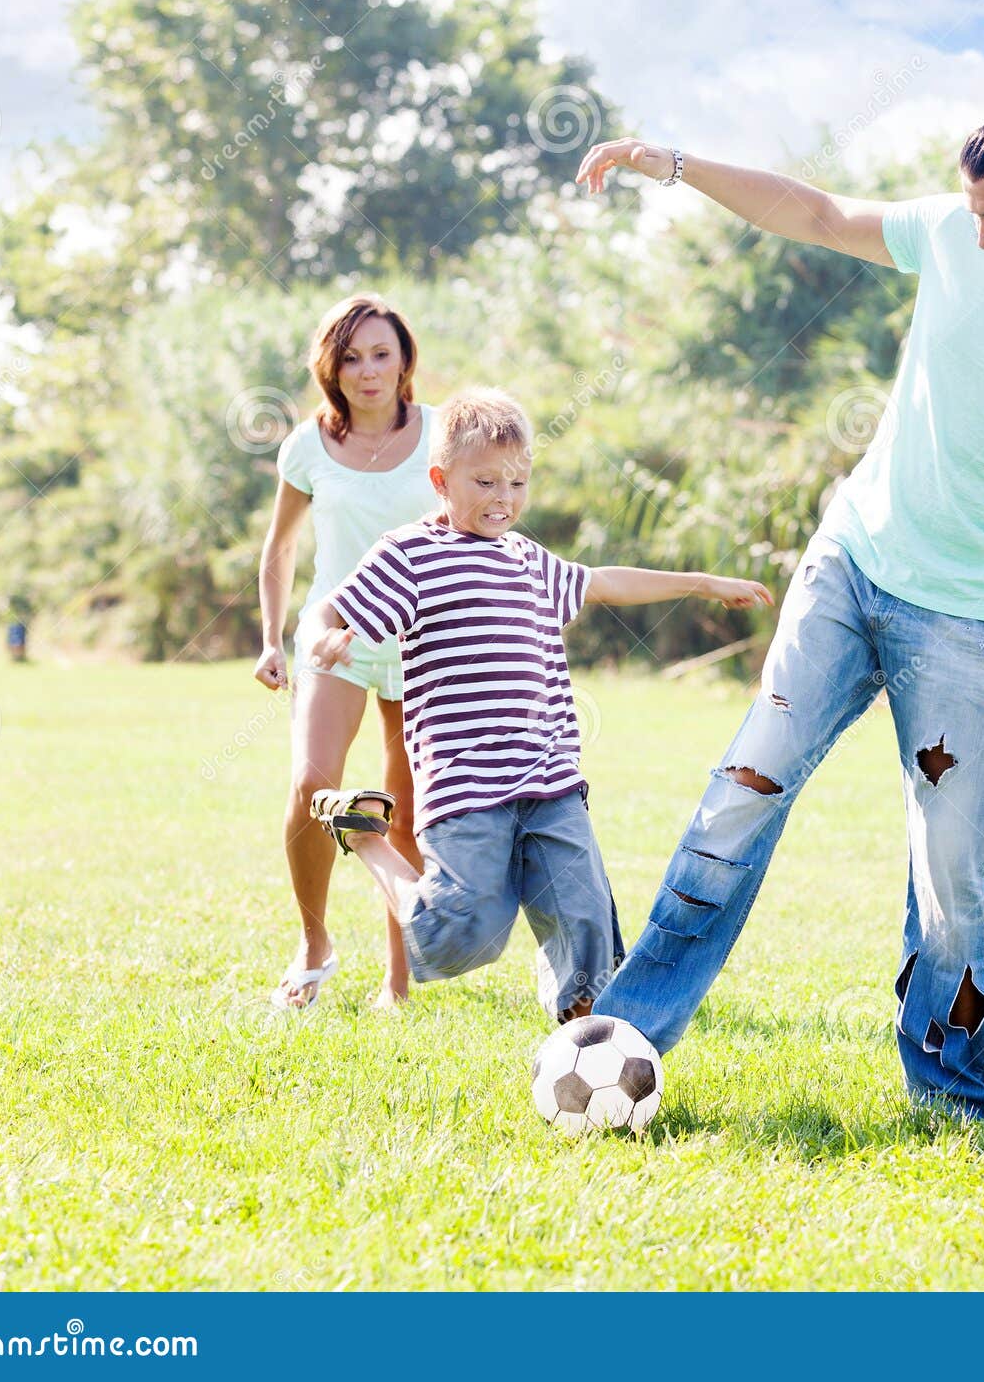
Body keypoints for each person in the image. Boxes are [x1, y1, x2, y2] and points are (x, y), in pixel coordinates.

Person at [572, 104, 984, 1120]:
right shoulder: (952, 236)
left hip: (969, 619)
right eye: (972, 213)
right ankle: (624, 1041)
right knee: (743, 792)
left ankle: (949, 1098)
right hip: (849, 566)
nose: (980, 235)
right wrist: (673, 163)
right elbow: (815, 212)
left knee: (954, 870)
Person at [304, 387, 773, 1021]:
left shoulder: (528, 559)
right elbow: (333, 607)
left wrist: (701, 582)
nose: (504, 499)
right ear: (441, 480)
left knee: (586, 931)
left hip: (550, 781)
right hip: (467, 787)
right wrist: (324, 637)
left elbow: (604, 583)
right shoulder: (411, 554)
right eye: (486, 482)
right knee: (461, 937)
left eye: (518, 483)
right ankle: (363, 836)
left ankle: (584, 1041)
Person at [255, 293, 439, 1010]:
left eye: (381, 354)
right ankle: (314, 941)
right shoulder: (308, 445)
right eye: (352, 358)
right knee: (311, 783)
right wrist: (271, 638)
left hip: (425, 640)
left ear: (404, 360)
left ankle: (397, 980)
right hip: (335, 635)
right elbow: (279, 550)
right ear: (332, 369)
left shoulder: (441, 433)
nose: (368, 371)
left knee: (408, 810)